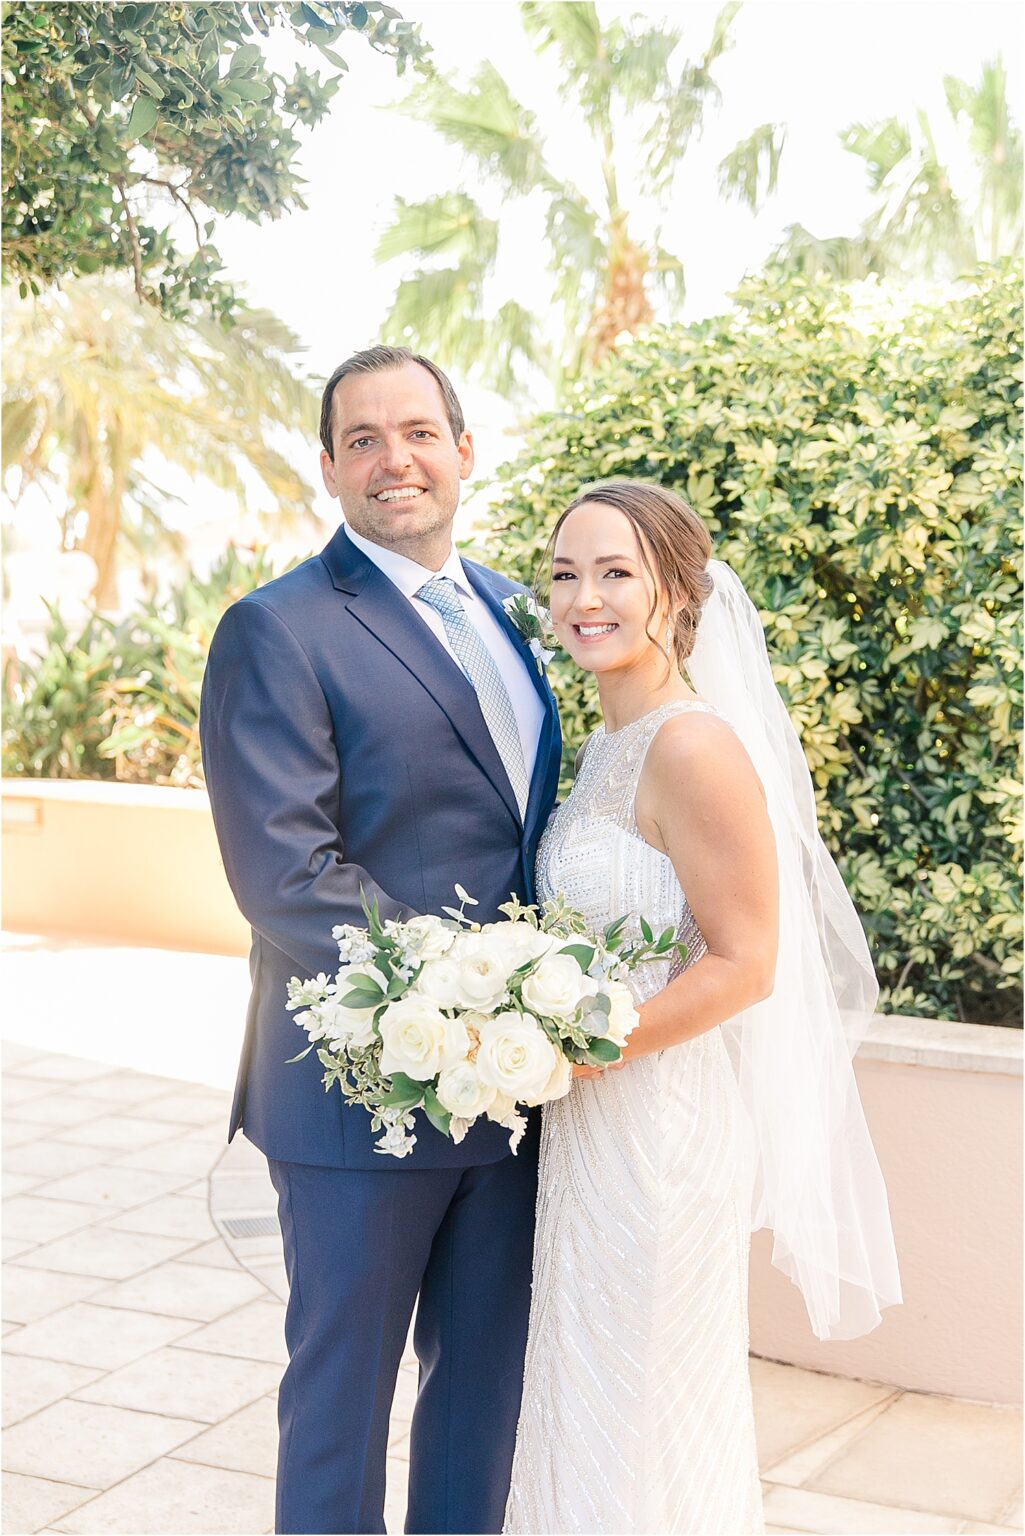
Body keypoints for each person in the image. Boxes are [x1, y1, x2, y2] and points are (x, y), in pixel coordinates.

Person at [199, 346, 563, 1535]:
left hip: (518, 1099)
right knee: (340, 1404)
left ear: (465, 450)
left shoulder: (528, 612)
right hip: (358, 1093)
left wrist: (543, 1017)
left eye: (416, 432)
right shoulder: (277, 630)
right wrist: (478, 1003)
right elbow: (288, 878)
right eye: (361, 439)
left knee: (479, 1397)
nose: (391, 459)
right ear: (328, 469)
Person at [503, 480, 901, 1536]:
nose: (583, 597)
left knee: (639, 1401)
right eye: (564, 573)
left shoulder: (693, 746)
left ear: (678, 593)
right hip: (588, 1121)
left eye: (615, 572)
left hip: (657, 1127)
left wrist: (581, 1048)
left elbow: (745, 962)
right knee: (584, 1391)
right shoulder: (599, 748)